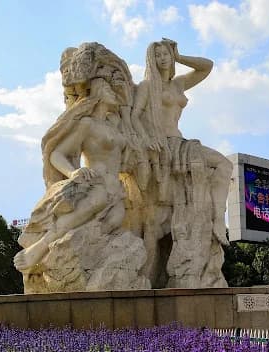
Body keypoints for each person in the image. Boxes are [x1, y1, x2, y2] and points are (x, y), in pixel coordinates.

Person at [14, 45, 137, 275]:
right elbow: (56, 154)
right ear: (98, 93)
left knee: (112, 226)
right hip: (96, 186)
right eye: (108, 89)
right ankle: (40, 249)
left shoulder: (116, 126)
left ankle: (84, 270)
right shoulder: (86, 125)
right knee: (94, 204)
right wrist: (73, 172)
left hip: (117, 192)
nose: (114, 94)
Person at [131, 38, 232, 287]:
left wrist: (180, 56)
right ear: (151, 60)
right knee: (153, 225)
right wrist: (148, 139)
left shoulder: (178, 84)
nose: (162, 58)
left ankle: (218, 219)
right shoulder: (147, 87)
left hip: (182, 144)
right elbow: (134, 117)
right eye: (157, 55)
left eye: (165, 54)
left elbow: (207, 67)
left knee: (224, 165)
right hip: (162, 147)